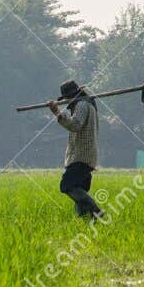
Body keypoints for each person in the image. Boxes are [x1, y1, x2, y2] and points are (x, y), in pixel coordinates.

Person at [47, 80, 103, 220]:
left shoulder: (82, 105)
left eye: (67, 98)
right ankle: (84, 221)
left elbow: (75, 125)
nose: (66, 101)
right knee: (79, 190)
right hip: (84, 154)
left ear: (73, 95)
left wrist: (57, 113)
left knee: (68, 185)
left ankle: (96, 212)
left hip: (82, 155)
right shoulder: (85, 104)